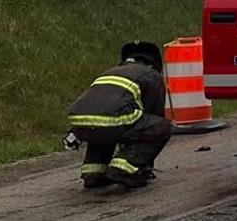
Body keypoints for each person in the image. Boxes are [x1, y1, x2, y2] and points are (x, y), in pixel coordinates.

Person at [67, 41, 172, 190]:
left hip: (79, 121)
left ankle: (93, 173)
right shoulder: (151, 75)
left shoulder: (111, 71)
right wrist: (144, 164)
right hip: (111, 120)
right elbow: (153, 115)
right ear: (152, 64)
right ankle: (123, 169)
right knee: (161, 126)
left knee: (103, 127)